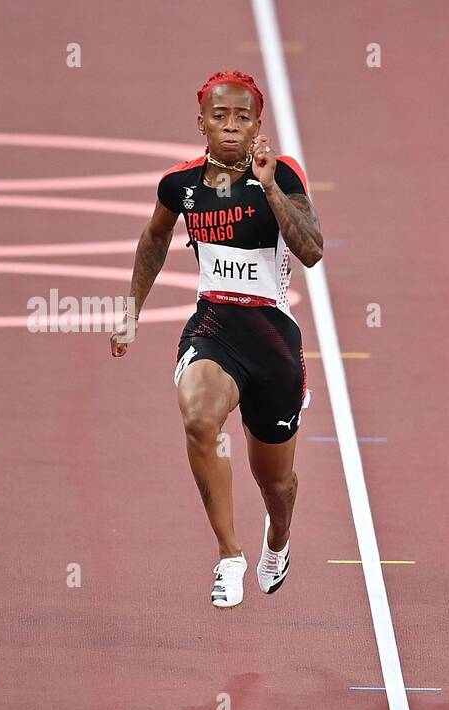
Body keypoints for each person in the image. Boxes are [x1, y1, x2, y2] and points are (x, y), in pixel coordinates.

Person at [111, 70, 324, 607]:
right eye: (220, 116)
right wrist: (132, 310)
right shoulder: (180, 185)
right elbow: (155, 237)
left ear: (258, 124)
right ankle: (229, 554)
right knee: (200, 419)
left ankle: (277, 537)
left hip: (274, 341)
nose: (231, 126)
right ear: (202, 121)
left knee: (276, 484)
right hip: (214, 327)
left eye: (242, 117)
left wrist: (270, 185)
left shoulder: (283, 174)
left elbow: (313, 250)